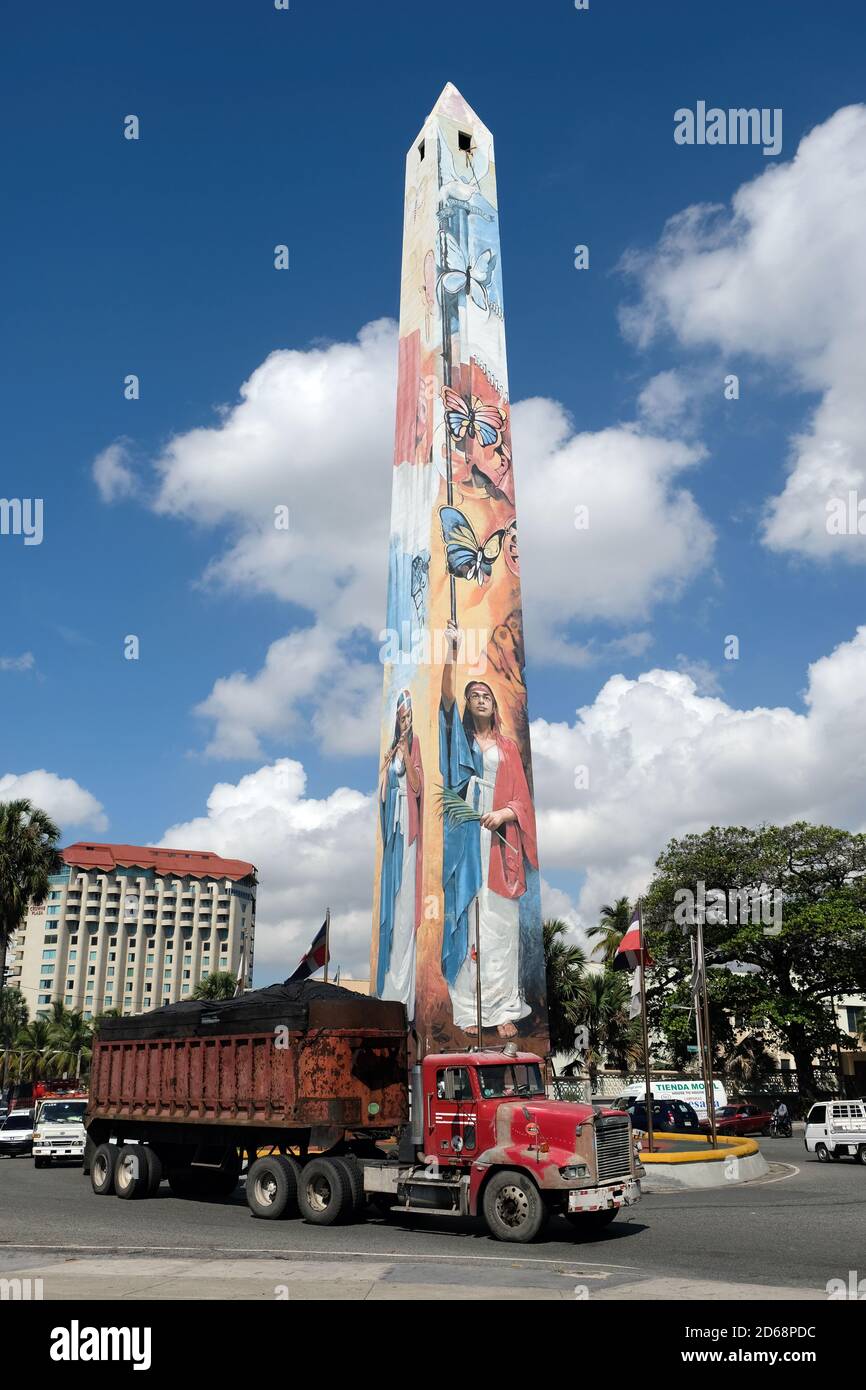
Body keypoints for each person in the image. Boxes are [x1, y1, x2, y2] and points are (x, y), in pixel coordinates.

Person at [439, 619, 537, 1037]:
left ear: (495, 707)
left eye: (486, 696)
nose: (480, 699)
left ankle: (501, 1009)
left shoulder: (508, 748)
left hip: (498, 843)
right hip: (465, 838)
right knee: (467, 920)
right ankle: (468, 1008)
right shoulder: (458, 741)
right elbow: (444, 703)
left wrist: (504, 815)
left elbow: (522, 800)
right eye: (474, 695)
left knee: (499, 924)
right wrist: (451, 652)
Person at [376, 688, 424, 1019]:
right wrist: (388, 762)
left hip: (407, 827)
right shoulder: (391, 749)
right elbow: (380, 790)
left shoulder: (412, 744)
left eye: (407, 715)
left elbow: (418, 786)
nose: (404, 720)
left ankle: (406, 983)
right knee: (390, 907)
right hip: (391, 830)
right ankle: (389, 981)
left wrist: (406, 751)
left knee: (406, 900)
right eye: (400, 715)